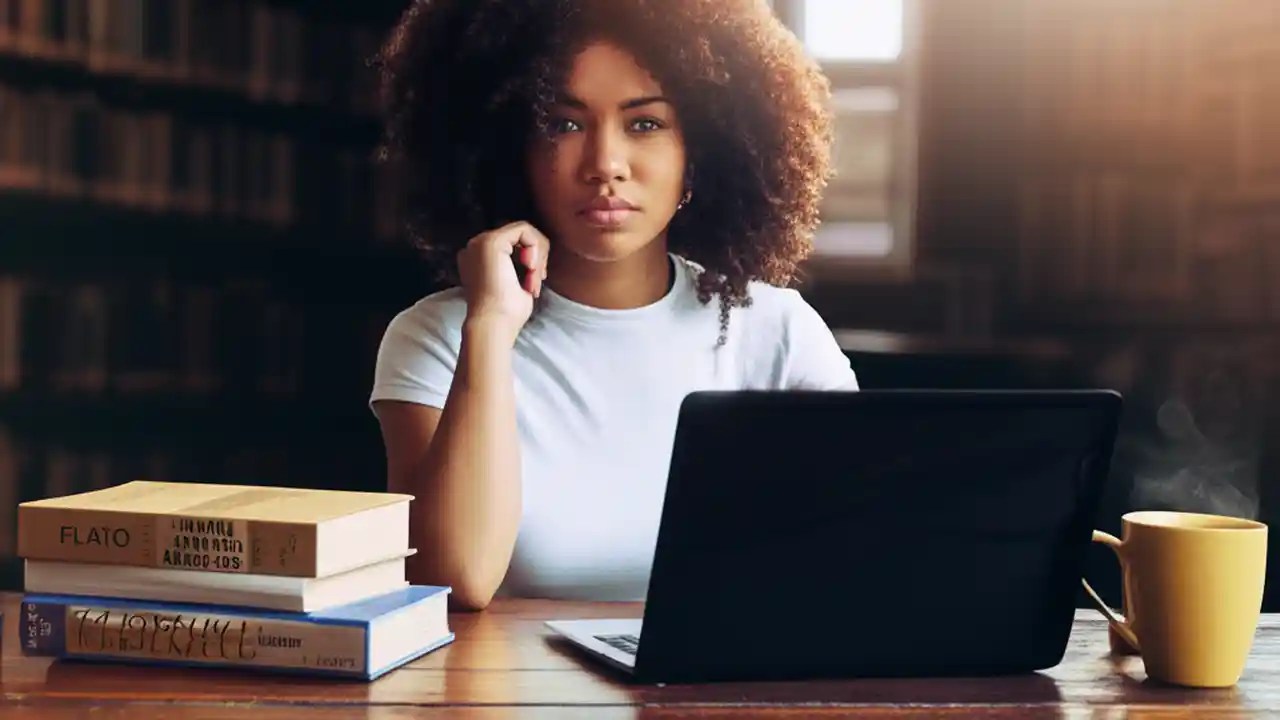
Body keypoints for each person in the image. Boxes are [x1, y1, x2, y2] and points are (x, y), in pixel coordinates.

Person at [369, 0, 858, 611]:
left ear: (700, 148)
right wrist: (491, 330)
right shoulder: (438, 338)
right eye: (562, 124)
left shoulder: (780, 336)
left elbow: (849, 557)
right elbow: (453, 577)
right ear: (506, 148)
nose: (605, 165)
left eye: (645, 124)